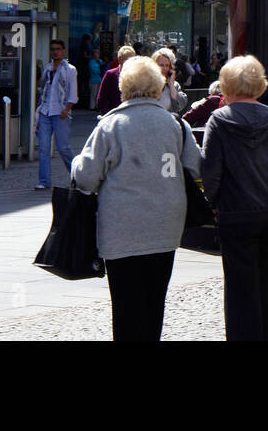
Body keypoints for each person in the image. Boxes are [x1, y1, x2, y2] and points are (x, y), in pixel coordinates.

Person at [71, 56, 200, 341]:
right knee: (154, 305)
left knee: (126, 309)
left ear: (124, 88)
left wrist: (76, 162)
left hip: (121, 231)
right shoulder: (175, 125)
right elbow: (196, 166)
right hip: (166, 229)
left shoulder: (110, 125)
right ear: (157, 87)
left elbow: (86, 178)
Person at [200, 54, 268, 340]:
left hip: (237, 213)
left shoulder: (220, 121)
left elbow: (210, 173)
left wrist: (214, 202)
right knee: (263, 286)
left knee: (239, 290)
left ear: (227, 85)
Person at [34, 39, 78, 191]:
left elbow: (73, 92)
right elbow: (43, 91)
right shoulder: (47, 68)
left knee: (63, 147)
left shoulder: (70, 69)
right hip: (45, 111)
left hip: (60, 112)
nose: (55, 52)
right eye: (53, 49)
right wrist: (38, 115)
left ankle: (78, 176)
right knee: (43, 148)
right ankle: (44, 180)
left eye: (58, 49)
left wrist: (67, 109)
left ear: (63, 51)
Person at [96, 46, 136, 115]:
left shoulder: (137, 75)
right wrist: (108, 115)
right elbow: (102, 98)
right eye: (127, 60)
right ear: (120, 59)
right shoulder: (111, 74)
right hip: (114, 115)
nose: (130, 63)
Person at [152, 48, 189, 116]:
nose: (165, 68)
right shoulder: (146, 84)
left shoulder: (174, 85)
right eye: (161, 65)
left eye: (167, 65)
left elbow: (178, 106)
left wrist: (171, 84)